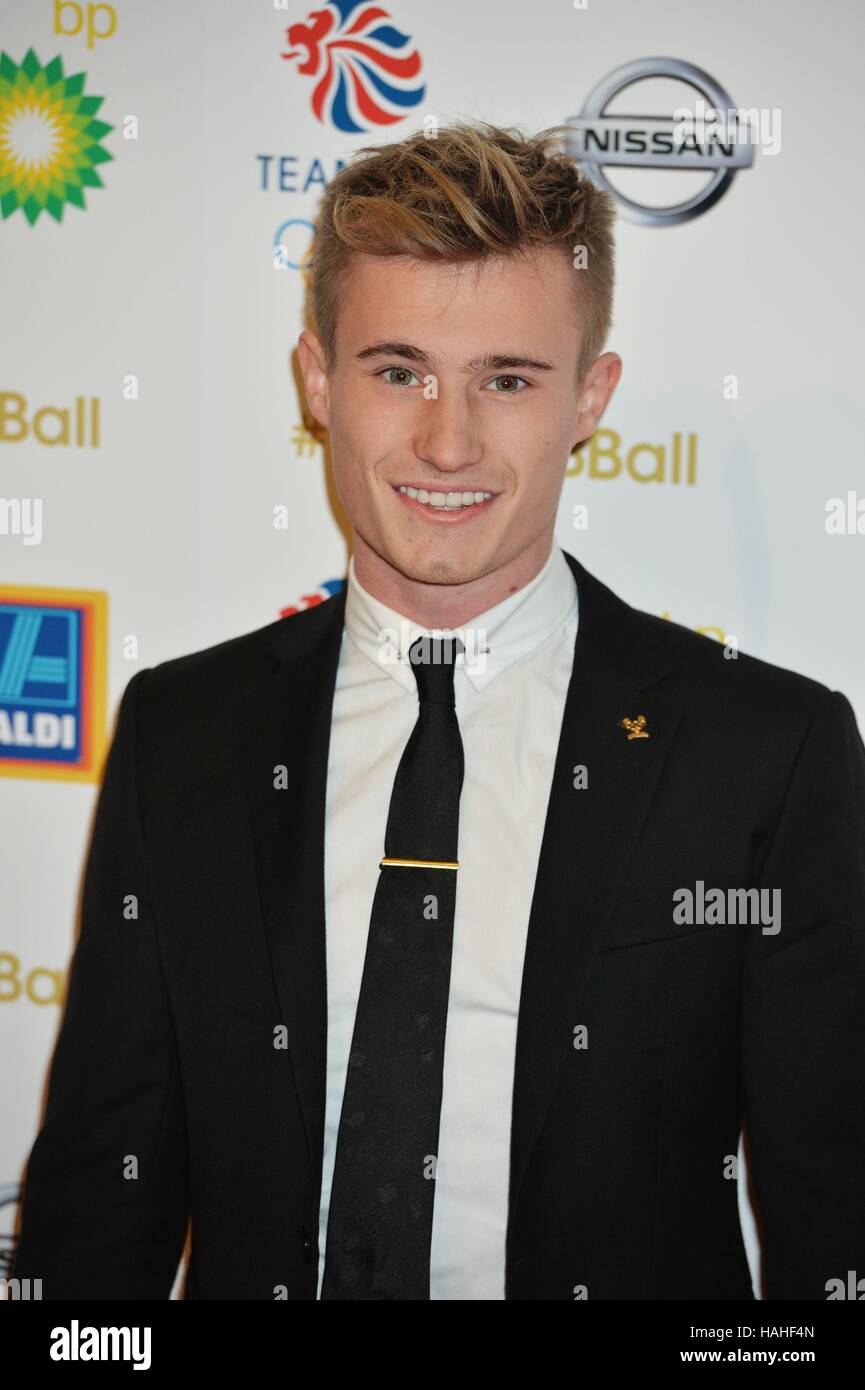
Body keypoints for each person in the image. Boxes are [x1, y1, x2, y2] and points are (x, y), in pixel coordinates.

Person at [12, 121, 865, 1300]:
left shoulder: (763, 751)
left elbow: (836, 1222)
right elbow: (95, 1221)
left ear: (590, 395)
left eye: (506, 380)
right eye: (398, 369)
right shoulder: (184, 734)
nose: (447, 440)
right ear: (317, 379)